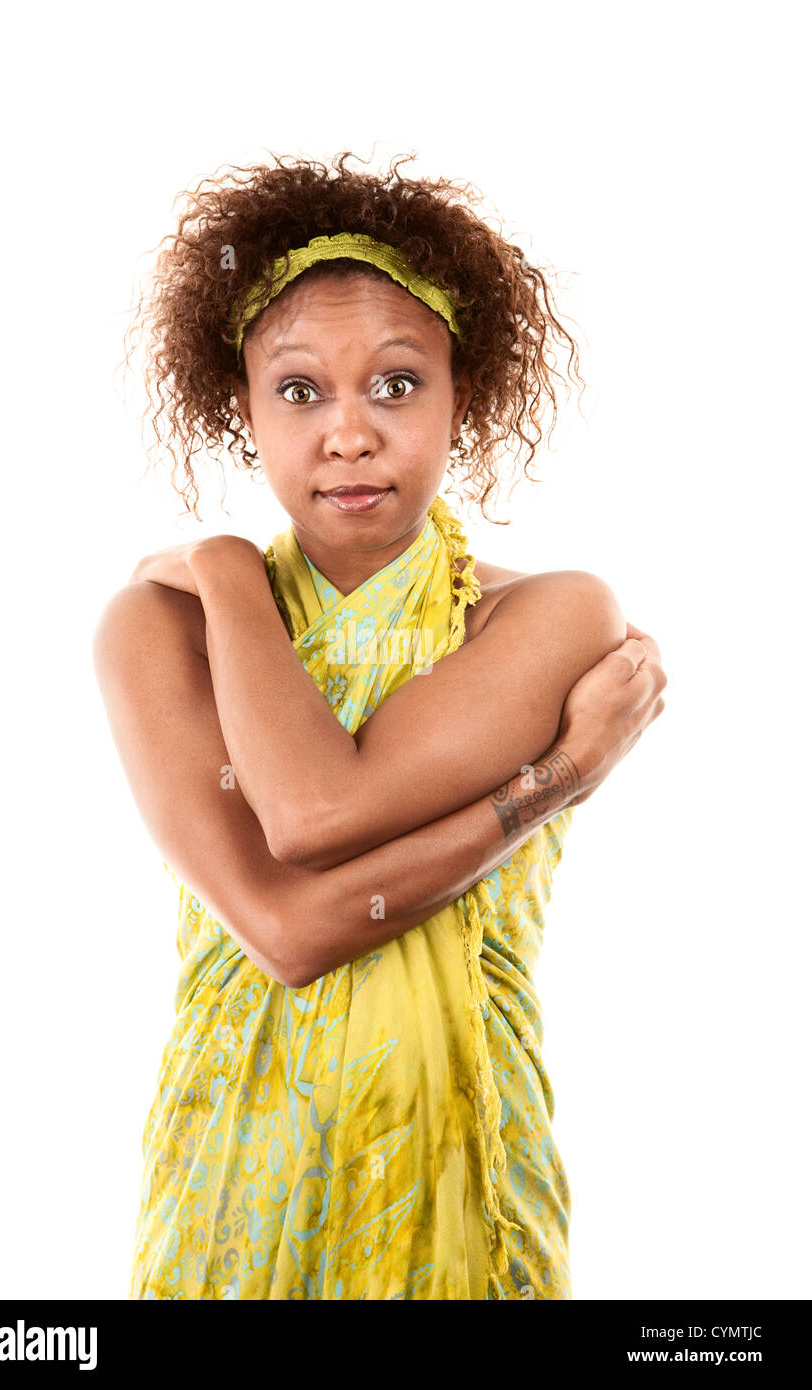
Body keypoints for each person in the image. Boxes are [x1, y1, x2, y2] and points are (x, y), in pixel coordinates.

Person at [93, 152, 667, 1300]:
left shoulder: (549, 616)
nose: (347, 433)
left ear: (465, 395)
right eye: (298, 390)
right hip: (233, 1186)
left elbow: (314, 813)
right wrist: (551, 780)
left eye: (395, 384)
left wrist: (218, 576)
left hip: (462, 1178)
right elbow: (291, 930)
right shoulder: (163, 628)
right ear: (240, 407)